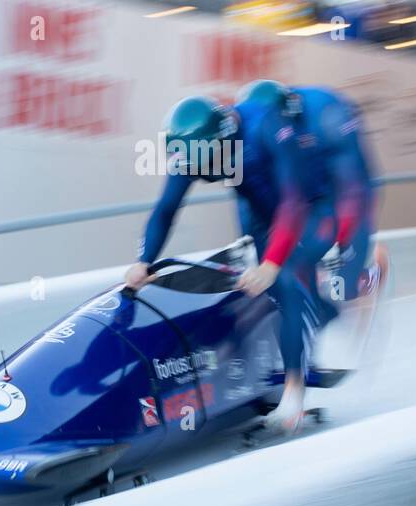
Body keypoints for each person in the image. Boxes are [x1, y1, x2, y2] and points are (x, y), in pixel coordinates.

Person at [124, 94, 337, 435]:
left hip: (306, 200)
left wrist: (271, 264)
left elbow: (293, 202)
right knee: (252, 276)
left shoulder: (266, 128)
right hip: (258, 202)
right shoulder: (193, 149)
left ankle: (295, 388)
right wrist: (143, 261)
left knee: (284, 279)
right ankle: (305, 322)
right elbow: (165, 210)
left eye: (204, 164)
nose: (200, 173)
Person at [236, 80, 377, 300]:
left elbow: (353, 190)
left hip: (337, 180)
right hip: (302, 180)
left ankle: (367, 276)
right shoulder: (253, 134)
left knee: (341, 290)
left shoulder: (327, 116)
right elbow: (250, 201)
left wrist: (339, 241)